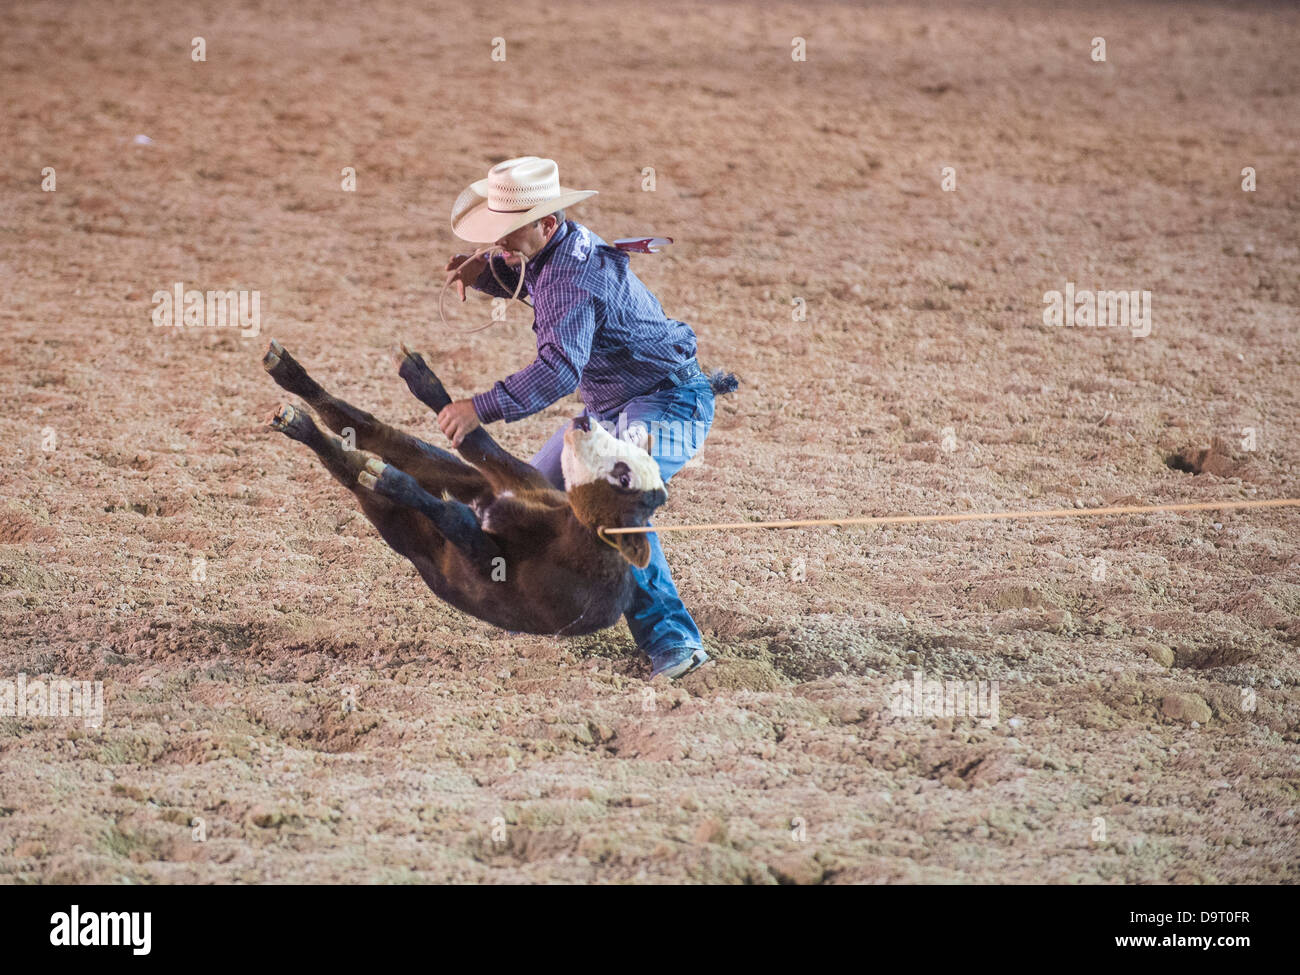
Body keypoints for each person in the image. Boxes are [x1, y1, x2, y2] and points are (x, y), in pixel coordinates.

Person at [441, 156, 719, 679]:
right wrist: (489, 275)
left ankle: (675, 642)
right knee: (526, 494)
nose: (497, 240)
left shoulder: (570, 277)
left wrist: (480, 407)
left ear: (546, 223)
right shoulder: (561, 247)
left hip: (666, 403)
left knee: (613, 505)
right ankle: (536, 603)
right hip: (618, 404)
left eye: (507, 231)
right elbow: (535, 276)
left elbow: (559, 368)